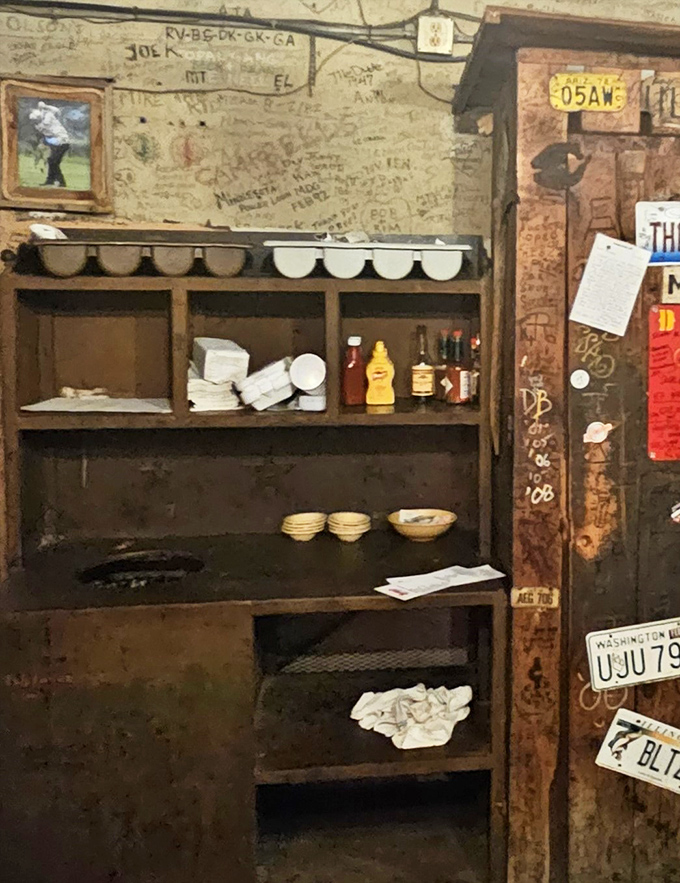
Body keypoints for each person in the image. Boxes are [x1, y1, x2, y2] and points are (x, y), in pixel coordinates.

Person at [28, 101, 70, 187]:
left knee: (53, 162)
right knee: (52, 161)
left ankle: (60, 182)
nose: (35, 122)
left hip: (62, 141)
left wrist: (45, 107)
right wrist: (44, 107)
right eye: (34, 121)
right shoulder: (44, 120)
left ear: (38, 117)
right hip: (57, 141)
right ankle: (51, 180)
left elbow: (57, 110)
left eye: (35, 120)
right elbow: (55, 111)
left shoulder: (46, 118)